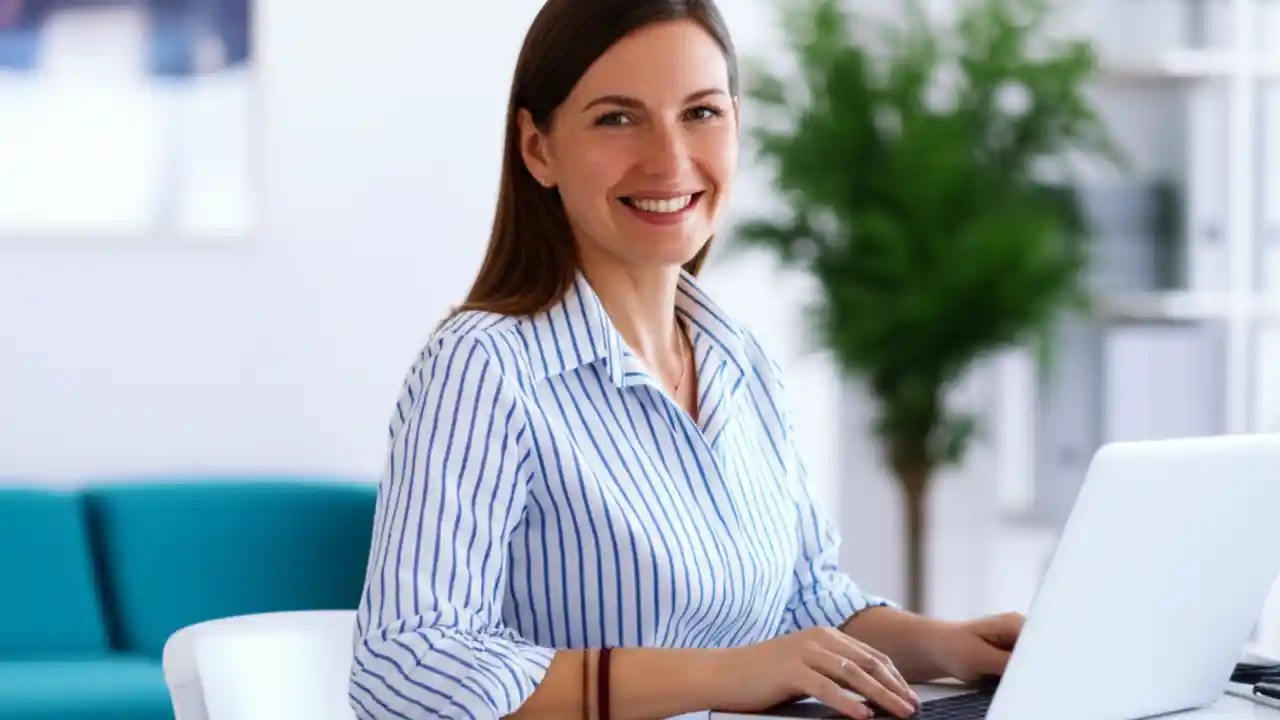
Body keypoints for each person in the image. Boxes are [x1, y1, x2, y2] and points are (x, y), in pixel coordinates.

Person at [348, 1, 1024, 718]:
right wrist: (720, 676)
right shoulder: (484, 370)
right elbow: (407, 666)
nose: (669, 161)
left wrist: (950, 645)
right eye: (617, 118)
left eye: (700, 114)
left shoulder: (740, 359)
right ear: (538, 148)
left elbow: (807, 602)